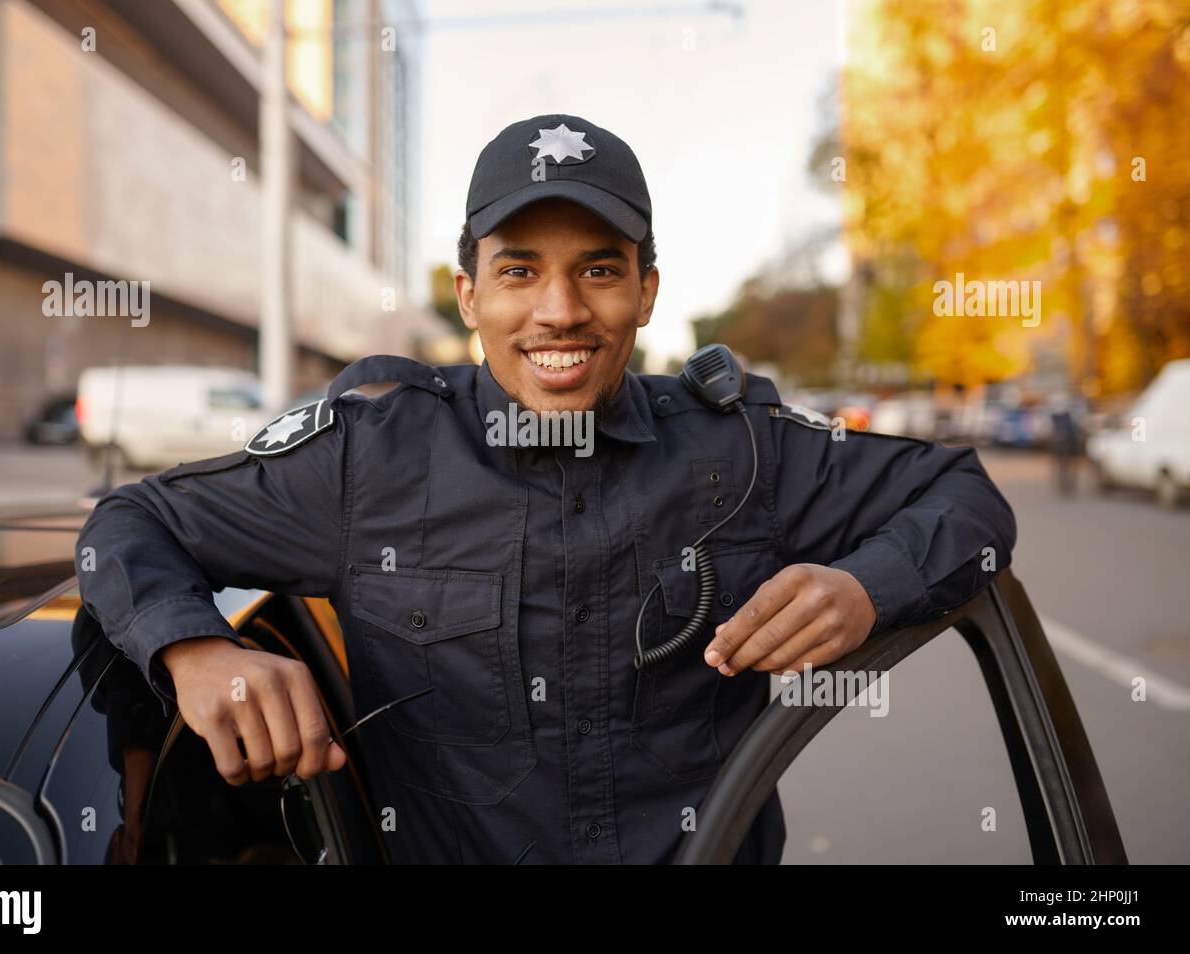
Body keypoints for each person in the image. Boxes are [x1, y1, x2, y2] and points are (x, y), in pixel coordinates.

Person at [75, 113, 1017, 864]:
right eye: (519, 270)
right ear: (469, 294)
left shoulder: (742, 450)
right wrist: (195, 651)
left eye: (598, 270)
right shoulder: (371, 459)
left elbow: (965, 495)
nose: (560, 310)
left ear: (647, 291)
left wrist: (865, 589)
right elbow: (130, 521)